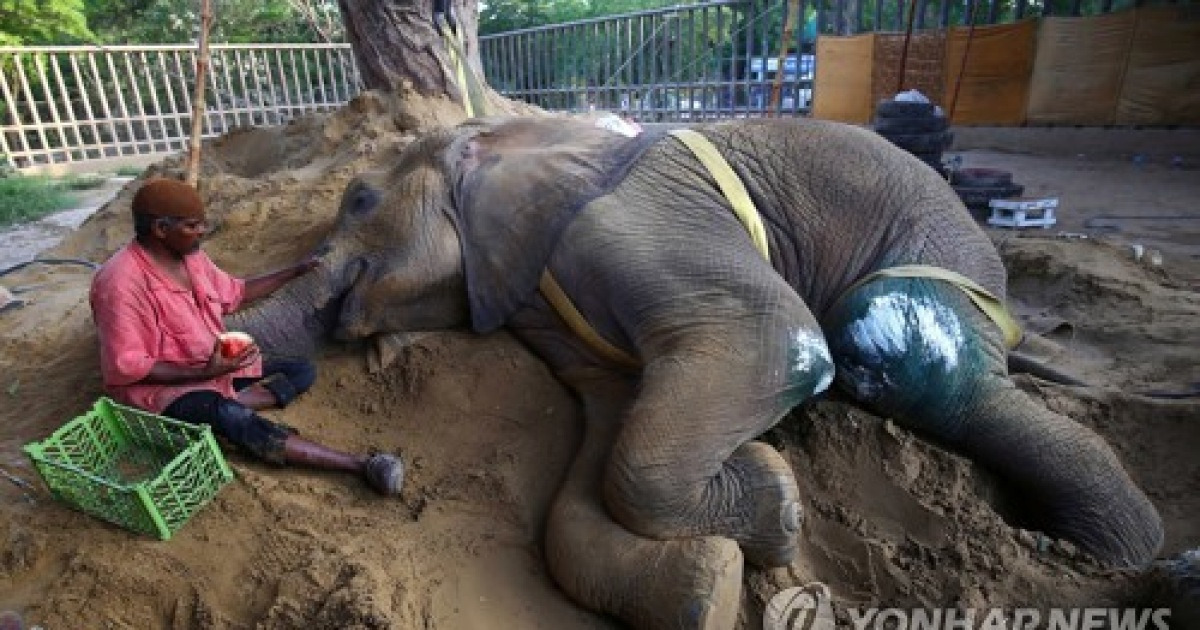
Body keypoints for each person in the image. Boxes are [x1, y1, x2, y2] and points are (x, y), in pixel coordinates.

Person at [89, 177, 403, 495]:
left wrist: (295, 271)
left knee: (301, 370)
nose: (202, 231)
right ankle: (360, 464)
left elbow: (236, 292)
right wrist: (202, 373)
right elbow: (128, 367)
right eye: (193, 225)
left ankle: (232, 403)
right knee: (227, 416)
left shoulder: (190, 255)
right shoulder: (119, 284)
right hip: (161, 394)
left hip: (211, 370)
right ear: (160, 229)